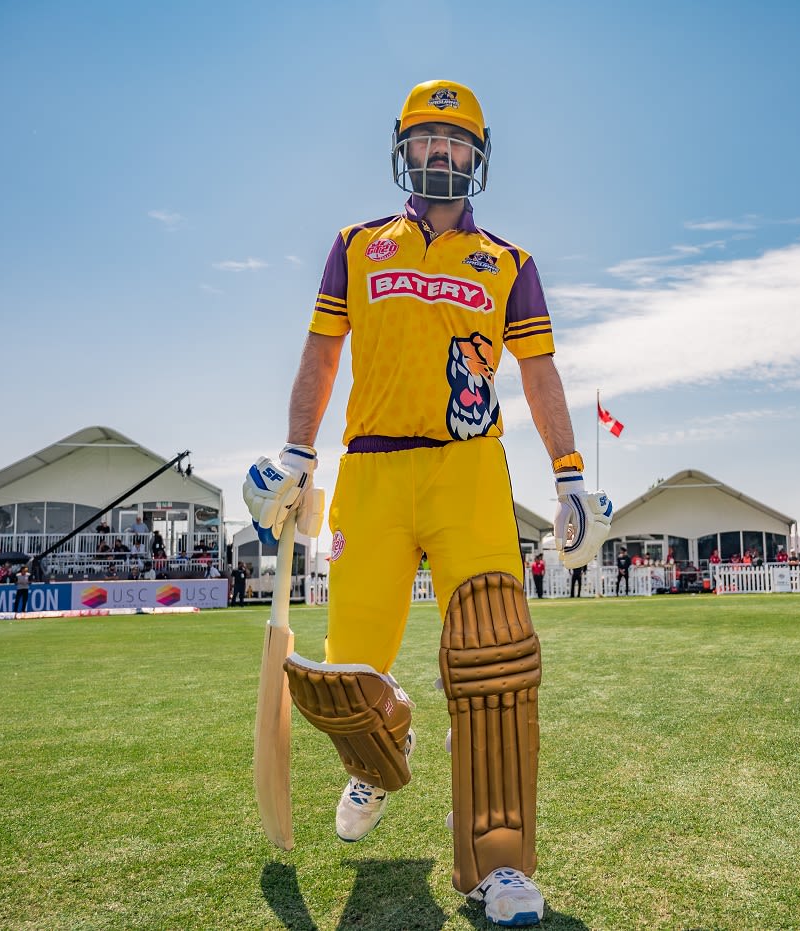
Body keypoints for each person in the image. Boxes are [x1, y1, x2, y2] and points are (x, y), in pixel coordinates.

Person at [241, 79, 612, 928]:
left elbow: (540, 371)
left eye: (454, 141)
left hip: (469, 471)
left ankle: (500, 867)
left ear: (475, 156)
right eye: (425, 140)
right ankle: (385, 743)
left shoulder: (509, 262)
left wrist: (567, 473)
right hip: (370, 474)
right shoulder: (357, 245)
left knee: (495, 665)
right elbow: (321, 355)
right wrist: (298, 452)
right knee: (343, 680)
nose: (439, 154)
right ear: (403, 149)